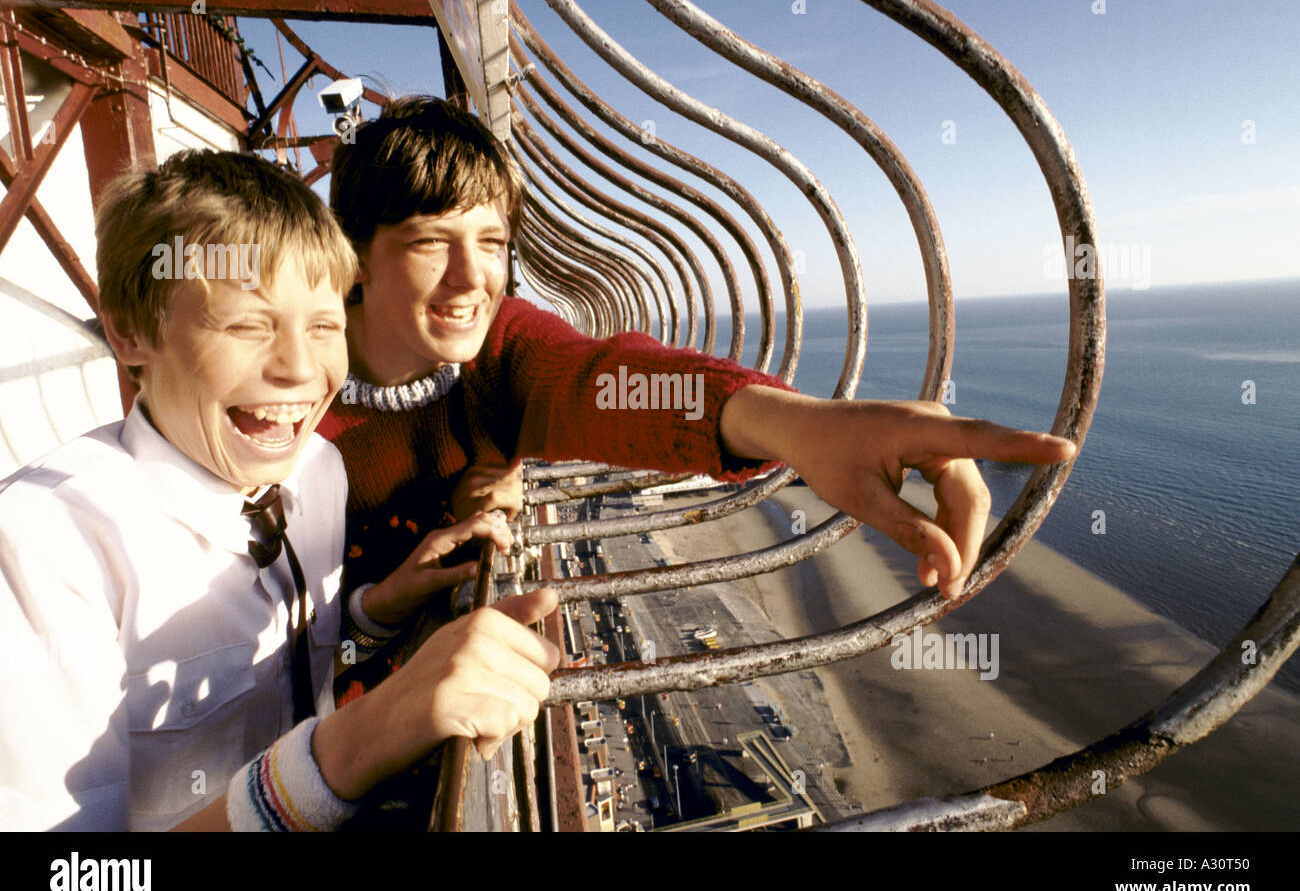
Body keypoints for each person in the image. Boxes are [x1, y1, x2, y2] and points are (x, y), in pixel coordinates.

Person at [319, 96, 1077, 654]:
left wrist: (800, 425)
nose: (470, 278)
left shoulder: (500, 354)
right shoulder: (282, 389)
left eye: (491, 241)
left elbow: (610, 381)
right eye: (428, 242)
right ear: (354, 253)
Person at [0, 150, 559, 831]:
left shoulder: (316, 470)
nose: (301, 369)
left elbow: (283, 668)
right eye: (247, 324)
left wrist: (374, 610)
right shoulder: (45, 546)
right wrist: (357, 743)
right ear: (131, 331)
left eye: (324, 326)